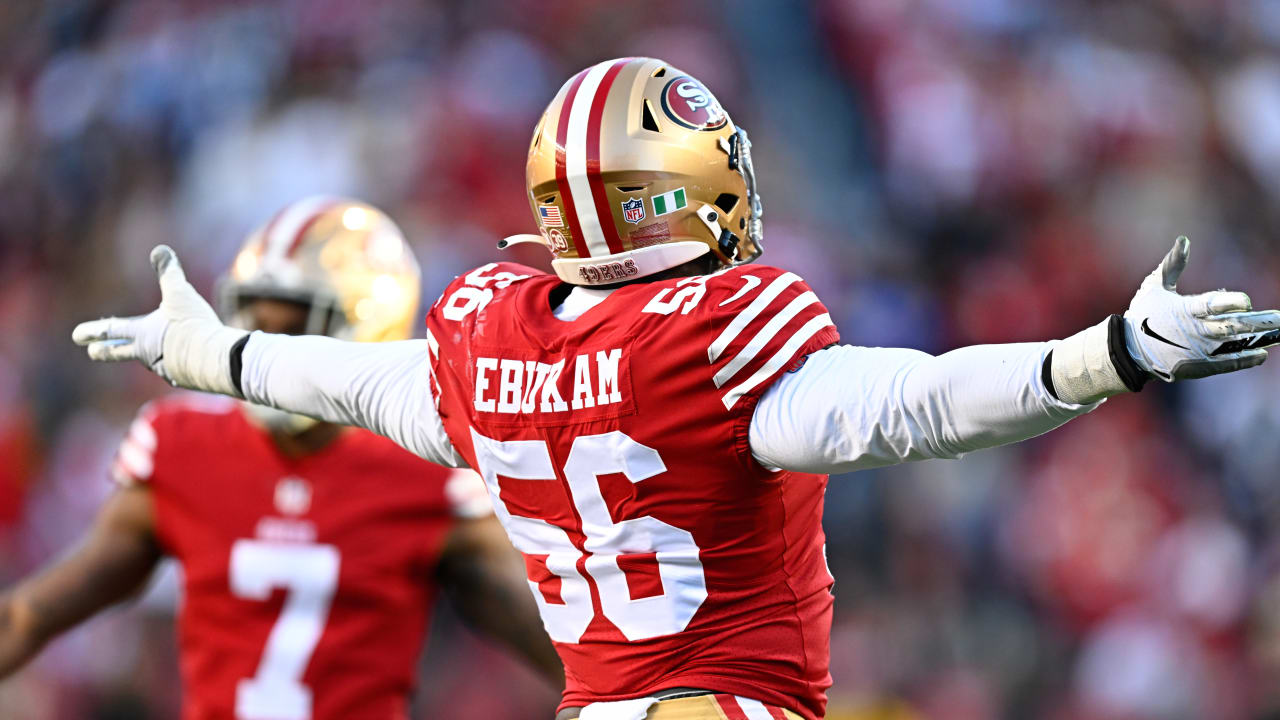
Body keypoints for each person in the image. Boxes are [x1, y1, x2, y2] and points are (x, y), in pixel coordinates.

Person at [72, 59, 1280, 720]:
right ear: (671, 189)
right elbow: (910, 409)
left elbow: (357, 383)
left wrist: (215, 358)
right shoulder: (715, 337)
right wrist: (1105, 356)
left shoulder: (490, 348)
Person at [9, 197, 561, 720]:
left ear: (367, 328)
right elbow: (31, 614)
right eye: (252, 323)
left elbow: (566, 657)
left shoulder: (427, 473)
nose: (262, 349)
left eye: (289, 328)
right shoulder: (180, 444)